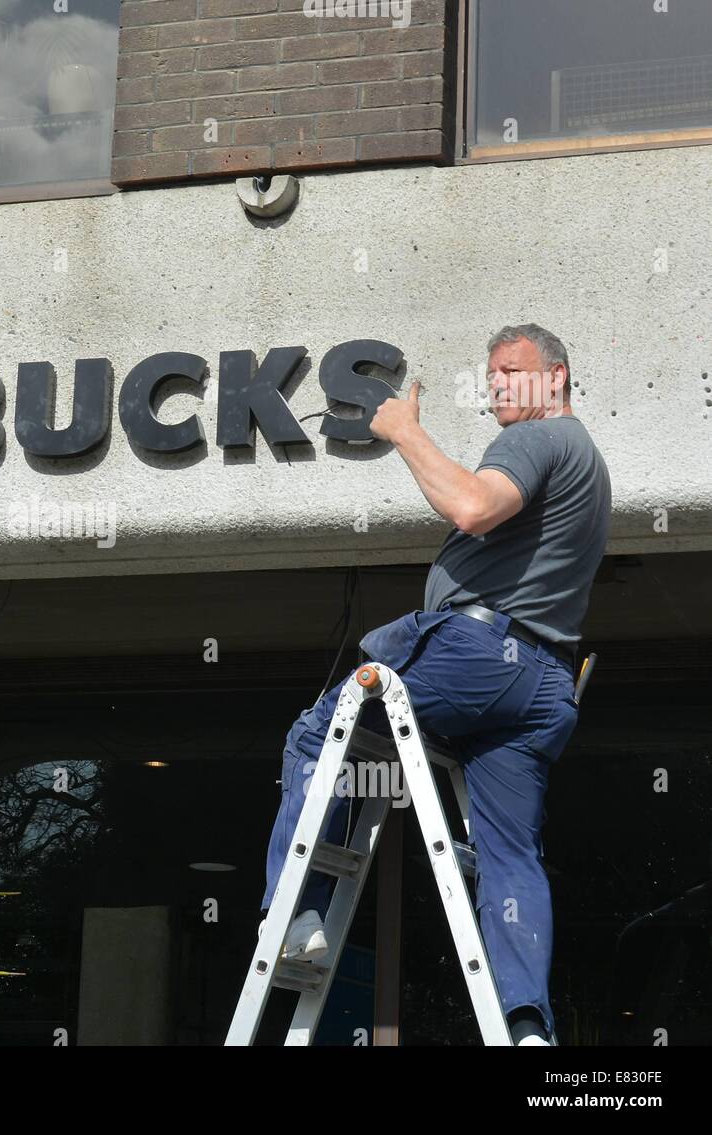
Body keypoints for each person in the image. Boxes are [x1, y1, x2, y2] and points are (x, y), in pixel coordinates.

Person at [259, 324, 612, 1046]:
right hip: (543, 685)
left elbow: (473, 507)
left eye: (513, 371)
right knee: (510, 852)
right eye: (493, 377)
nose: (499, 388)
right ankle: (525, 1025)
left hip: (482, 655)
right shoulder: (590, 462)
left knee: (315, 734)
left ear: (557, 376)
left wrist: (402, 431)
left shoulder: (537, 439)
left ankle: (293, 923)